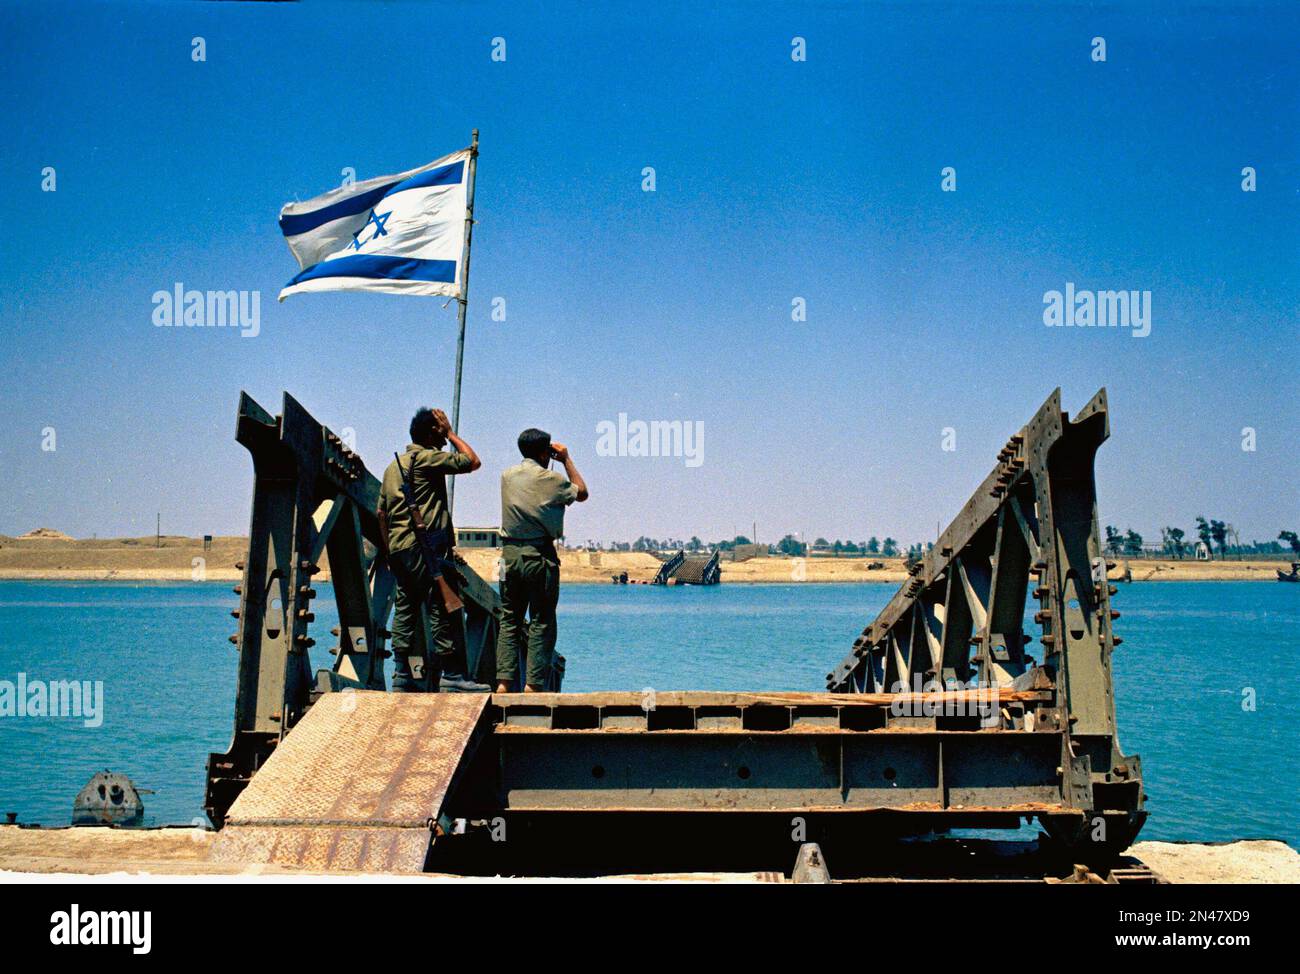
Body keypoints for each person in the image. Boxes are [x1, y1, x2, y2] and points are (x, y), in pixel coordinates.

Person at [377, 406, 490, 692]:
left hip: (400, 548)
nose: (442, 438)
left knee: (406, 608)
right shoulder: (426, 458)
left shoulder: (393, 467)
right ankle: (452, 676)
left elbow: (381, 513)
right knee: (443, 608)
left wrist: (390, 551)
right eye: (439, 432)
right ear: (431, 433)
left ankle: (401, 675)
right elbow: (472, 461)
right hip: (428, 549)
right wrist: (452, 433)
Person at [495, 429, 589, 692]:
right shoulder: (552, 479)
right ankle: (533, 686)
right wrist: (566, 459)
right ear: (544, 452)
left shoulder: (506, 477)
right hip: (540, 556)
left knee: (509, 619)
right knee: (542, 620)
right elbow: (582, 492)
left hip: (509, 556)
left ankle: (503, 683)